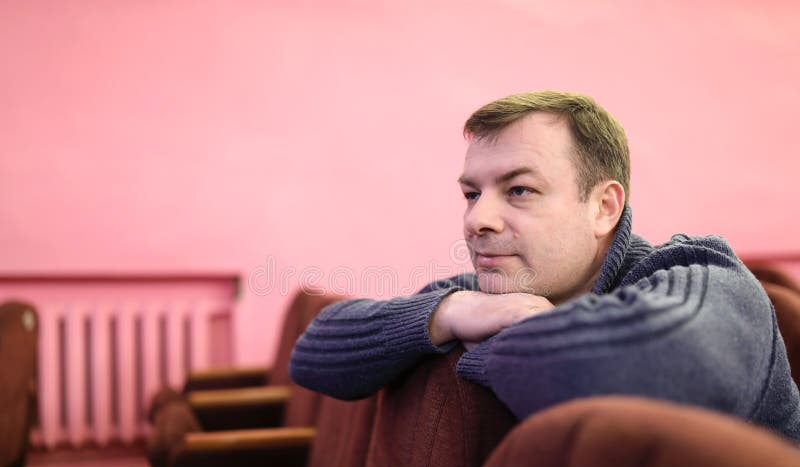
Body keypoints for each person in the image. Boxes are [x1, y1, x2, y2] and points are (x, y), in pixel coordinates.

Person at [290, 90, 800, 441]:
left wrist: (487, 348)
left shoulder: (705, 276)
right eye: (472, 193)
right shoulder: (488, 294)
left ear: (604, 207)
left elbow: (654, 369)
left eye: (519, 190)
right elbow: (314, 351)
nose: (478, 219)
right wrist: (447, 312)